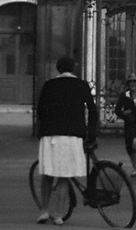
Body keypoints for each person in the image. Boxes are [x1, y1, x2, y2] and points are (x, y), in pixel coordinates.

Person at [36, 56, 97, 226]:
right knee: (64, 176)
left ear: (58, 69)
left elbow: (41, 110)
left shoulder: (49, 85)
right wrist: (91, 134)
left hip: (51, 134)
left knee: (48, 174)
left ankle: (44, 210)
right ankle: (58, 215)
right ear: (73, 68)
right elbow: (92, 110)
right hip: (72, 135)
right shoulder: (81, 85)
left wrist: (45, 127)